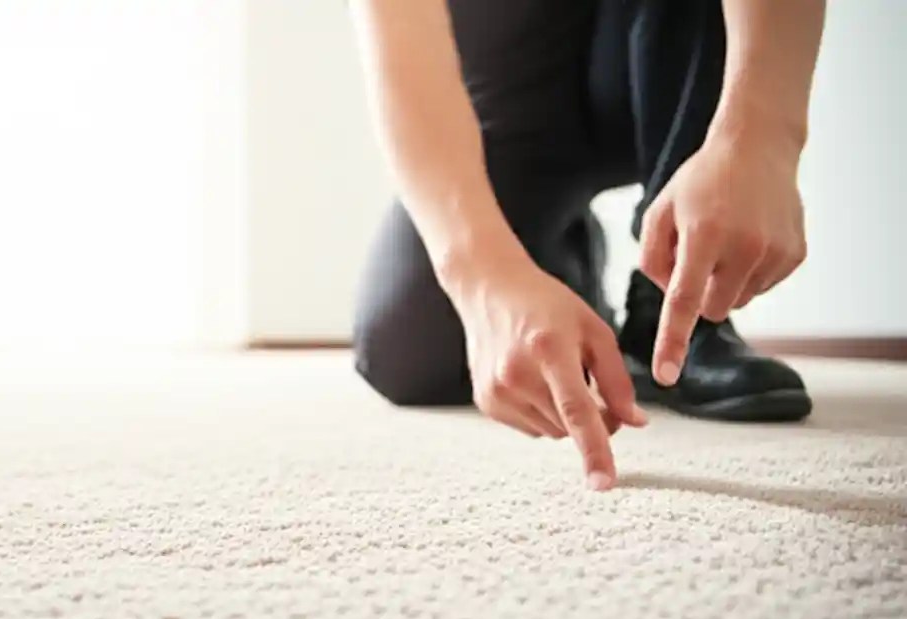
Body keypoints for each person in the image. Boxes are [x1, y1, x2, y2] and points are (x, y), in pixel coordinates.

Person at [348, 0, 825, 491]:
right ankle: (565, 260)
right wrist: (484, 276)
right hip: (514, 88)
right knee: (413, 350)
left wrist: (763, 136)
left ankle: (672, 305)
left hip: (672, 50)